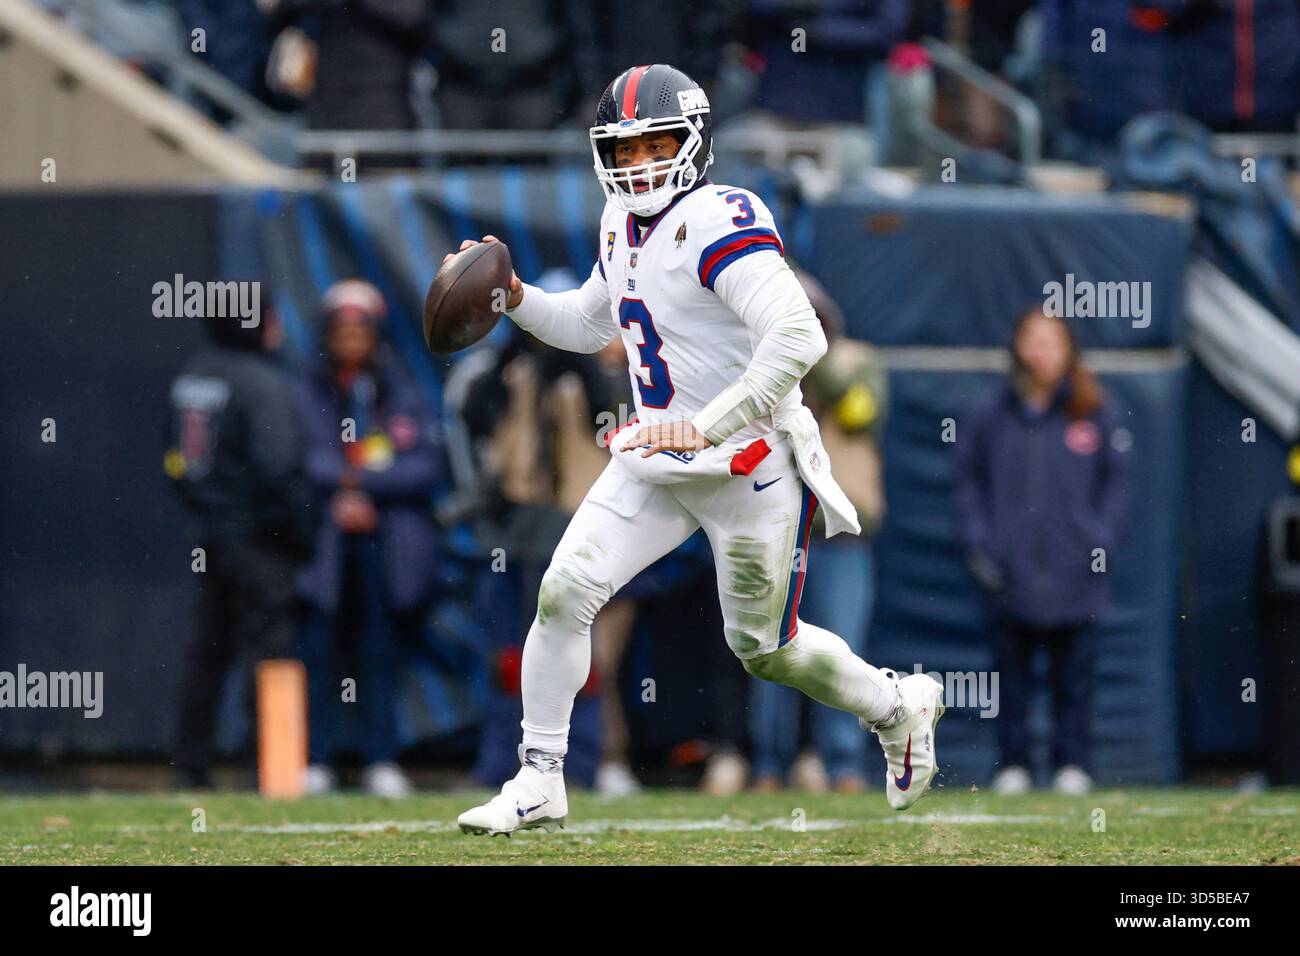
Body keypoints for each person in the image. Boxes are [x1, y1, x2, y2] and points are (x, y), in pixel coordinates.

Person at [453, 64, 945, 836]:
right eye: (623, 149)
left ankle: (896, 707)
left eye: (655, 144)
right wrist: (515, 299)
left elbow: (799, 336)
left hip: (748, 466)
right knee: (563, 591)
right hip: (657, 458)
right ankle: (539, 776)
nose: (638, 164)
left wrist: (707, 422)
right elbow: (589, 326)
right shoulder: (621, 224)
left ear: (693, 141)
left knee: (764, 650)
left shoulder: (720, 216)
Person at [952, 307, 1128, 795]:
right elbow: (967, 482)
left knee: (1075, 677)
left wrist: (1099, 539)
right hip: (1009, 573)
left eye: (1053, 340)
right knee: (1011, 677)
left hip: (1077, 573)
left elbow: (1116, 485)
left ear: (1069, 349)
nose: (1042, 351)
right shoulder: (990, 412)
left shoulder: (1096, 411)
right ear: (1017, 346)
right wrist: (981, 546)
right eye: (1033, 338)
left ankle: (1075, 765)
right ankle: (1014, 765)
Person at [294, 279, 441, 797]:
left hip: (386, 542)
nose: (352, 340)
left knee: (380, 653)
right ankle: (315, 760)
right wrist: (341, 488)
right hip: (325, 544)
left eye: (362, 330)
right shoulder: (307, 386)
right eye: (343, 330)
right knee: (319, 650)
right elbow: (297, 458)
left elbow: (424, 465)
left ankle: (382, 759)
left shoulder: (397, 386)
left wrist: (362, 485)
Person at [748, 268, 889, 794]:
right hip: (777, 529)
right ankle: (768, 764)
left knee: (842, 651)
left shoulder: (857, 360)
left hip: (840, 532)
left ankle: (844, 765)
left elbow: (860, 414)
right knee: (770, 649)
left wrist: (813, 356)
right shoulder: (760, 370)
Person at [165, 292, 314, 789]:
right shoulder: (261, 382)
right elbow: (279, 467)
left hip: (212, 534)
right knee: (267, 651)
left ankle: (190, 767)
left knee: (206, 651)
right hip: (258, 539)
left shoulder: (192, 377)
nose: (278, 325)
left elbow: (177, 463)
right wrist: (298, 529)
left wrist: (209, 506)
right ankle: (268, 770)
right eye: (271, 315)